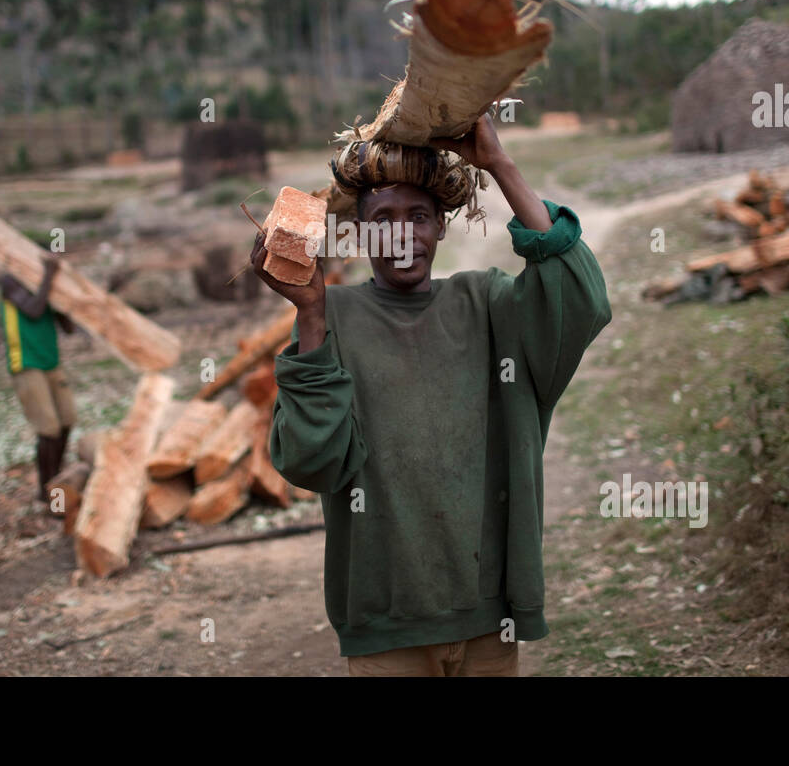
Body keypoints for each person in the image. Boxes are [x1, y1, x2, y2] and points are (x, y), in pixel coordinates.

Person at [254, 112, 612, 676]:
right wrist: (312, 314)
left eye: (418, 216)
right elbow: (310, 461)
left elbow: (578, 299)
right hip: (384, 623)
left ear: (441, 227)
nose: (402, 235)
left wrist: (499, 164)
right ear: (362, 231)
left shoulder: (488, 304)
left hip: (489, 615)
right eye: (382, 219)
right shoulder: (333, 317)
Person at [0, 256, 77, 505]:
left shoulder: (46, 285)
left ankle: (57, 477)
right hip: (26, 363)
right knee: (48, 429)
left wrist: (64, 301)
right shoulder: (9, 281)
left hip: (51, 361)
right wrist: (49, 277)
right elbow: (33, 311)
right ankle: (46, 490)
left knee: (67, 421)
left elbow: (68, 328)